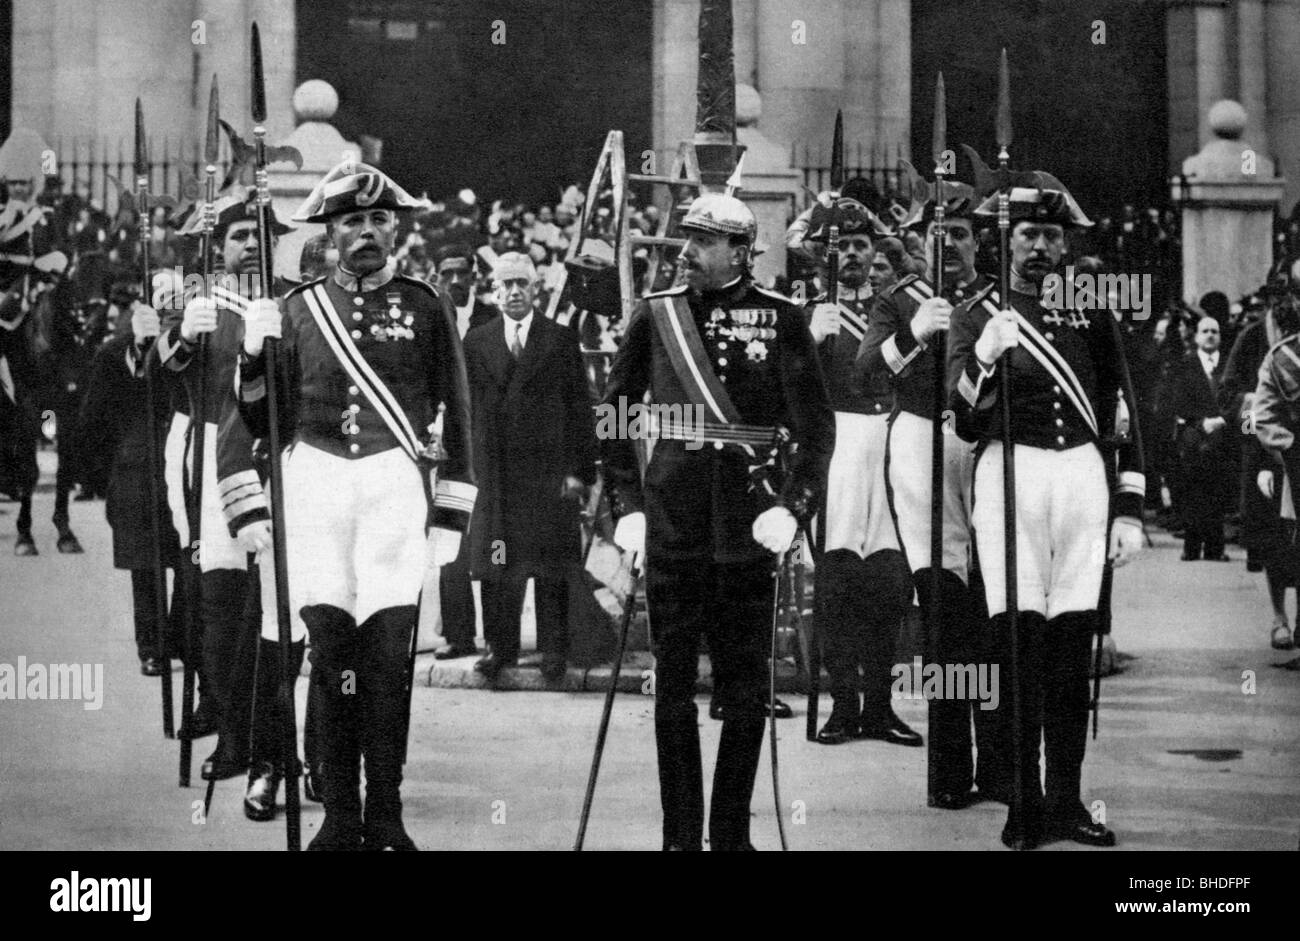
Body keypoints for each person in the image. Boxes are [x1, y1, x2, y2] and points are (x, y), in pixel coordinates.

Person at [237, 160, 475, 851]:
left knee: (388, 658)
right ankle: (339, 813)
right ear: (331, 234)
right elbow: (262, 420)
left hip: (393, 488)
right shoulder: (297, 309)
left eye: (377, 220)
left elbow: (456, 411)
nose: (367, 232)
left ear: (393, 228)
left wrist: (452, 512)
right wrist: (253, 353)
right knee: (331, 651)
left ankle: (387, 811)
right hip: (316, 486)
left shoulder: (427, 304)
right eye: (351, 222)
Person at [601, 192, 834, 850]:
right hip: (672, 523)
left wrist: (794, 507)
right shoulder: (656, 317)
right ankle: (680, 837)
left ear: (740, 251)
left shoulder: (783, 319)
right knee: (671, 686)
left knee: (744, 688)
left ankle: (730, 834)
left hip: (746, 526)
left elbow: (816, 430)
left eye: (703, 241)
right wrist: (629, 509)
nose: (687, 250)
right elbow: (613, 416)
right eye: (687, 238)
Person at [946, 172, 1146, 849]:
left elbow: (1125, 405)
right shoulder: (977, 312)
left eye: (1051, 235)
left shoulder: (1090, 305)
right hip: (1013, 476)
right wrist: (984, 355)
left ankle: (1066, 799)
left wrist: (1130, 505)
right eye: (1029, 233)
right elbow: (966, 423)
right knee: (1016, 648)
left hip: (1083, 482)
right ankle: (1022, 800)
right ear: (1004, 239)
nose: (1040, 246)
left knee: (1069, 648)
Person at [856, 184, 1008, 807]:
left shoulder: (1003, 298)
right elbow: (863, 375)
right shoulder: (899, 302)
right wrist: (913, 335)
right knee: (945, 612)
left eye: (964, 233)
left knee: (998, 609)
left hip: (993, 448)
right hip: (924, 444)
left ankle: (1000, 767)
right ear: (920, 241)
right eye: (938, 235)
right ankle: (949, 773)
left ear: (980, 239)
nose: (952, 245)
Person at [156, 191, 296, 819]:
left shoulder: (290, 299)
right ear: (217, 246)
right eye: (237, 234)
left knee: (272, 606)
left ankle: (275, 739)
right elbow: (163, 374)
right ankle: (231, 731)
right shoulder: (197, 300)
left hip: (277, 451)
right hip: (210, 444)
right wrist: (183, 335)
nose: (247, 244)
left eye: (255, 234)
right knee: (218, 595)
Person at [794, 194, 918, 747]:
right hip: (836, 444)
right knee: (838, 579)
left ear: (875, 253)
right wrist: (808, 343)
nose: (850, 255)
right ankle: (843, 706)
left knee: (889, 581)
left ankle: (882, 708)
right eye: (840, 246)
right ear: (827, 254)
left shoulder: (893, 309)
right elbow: (787, 392)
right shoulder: (810, 313)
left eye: (860, 245)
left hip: (889, 441)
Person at [463, 252, 598, 684]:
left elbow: (581, 409)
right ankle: (498, 648)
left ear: (536, 288)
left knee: (551, 564)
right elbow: (465, 412)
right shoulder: (477, 341)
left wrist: (579, 472)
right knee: (497, 560)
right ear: (494, 290)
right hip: (496, 475)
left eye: (522, 283)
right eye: (506, 284)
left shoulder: (559, 340)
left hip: (548, 472)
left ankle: (553, 649)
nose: (515, 291)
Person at [76, 298, 186, 675]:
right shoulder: (114, 353)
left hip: (186, 463)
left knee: (193, 562)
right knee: (147, 567)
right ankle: (152, 645)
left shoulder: (193, 343)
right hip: (137, 470)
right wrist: (103, 474)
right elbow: (94, 417)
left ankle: (179, 636)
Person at [1223, 259, 1300, 649]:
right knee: (1273, 540)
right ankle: (1278, 616)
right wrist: (1252, 410)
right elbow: (1228, 394)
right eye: (1284, 291)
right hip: (1263, 452)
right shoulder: (1252, 337)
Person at [434, 243, 498, 661]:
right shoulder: (429, 318)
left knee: (493, 538)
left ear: (475, 276)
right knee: (449, 540)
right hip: (446, 449)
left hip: (490, 445)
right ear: (437, 276)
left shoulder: (492, 318)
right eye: (447, 274)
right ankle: (459, 635)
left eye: (463, 273)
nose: (456, 281)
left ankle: (498, 638)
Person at [1167, 315, 1232, 561]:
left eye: (1214, 331)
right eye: (1205, 331)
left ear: (1220, 337)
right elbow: (1176, 400)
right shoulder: (1185, 364)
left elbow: (1239, 398)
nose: (1210, 335)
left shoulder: (1228, 364)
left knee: (1218, 493)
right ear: (1196, 337)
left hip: (1223, 435)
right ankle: (1191, 548)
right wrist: (1200, 422)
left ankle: (1216, 549)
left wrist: (1225, 420)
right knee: (1193, 492)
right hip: (1194, 434)